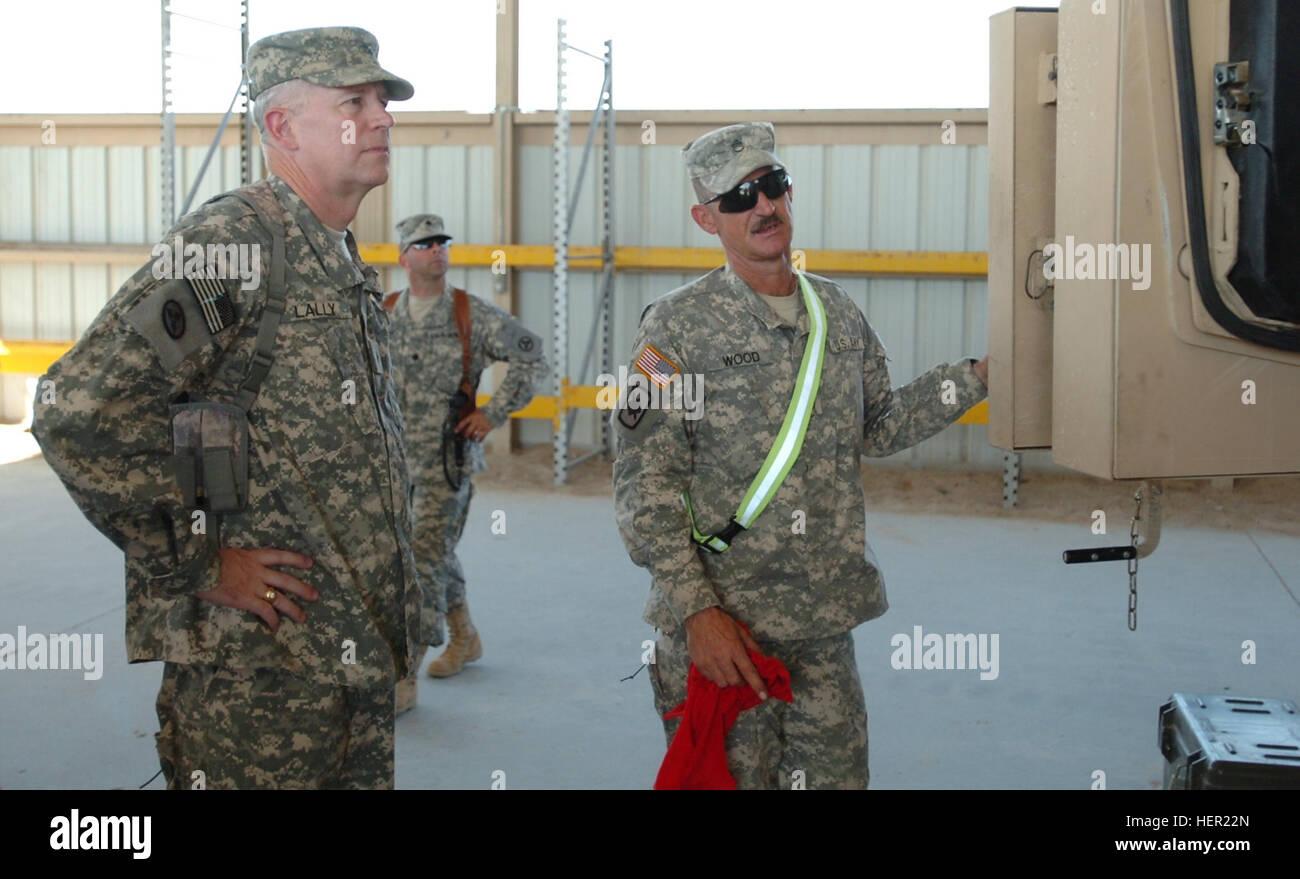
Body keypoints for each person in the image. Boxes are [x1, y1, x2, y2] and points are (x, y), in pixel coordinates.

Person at [31, 26, 421, 789]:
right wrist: (199, 558)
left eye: (382, 100)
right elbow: (76, 409)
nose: (383, 118)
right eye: (354, 101)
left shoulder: (334, 250)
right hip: (261, 685)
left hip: (351, 662)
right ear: (281, 127)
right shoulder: (236, 244)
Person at [612, 122, 990, 790]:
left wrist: (978, 377)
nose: (763, 206)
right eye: (739, 198)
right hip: (728, 628)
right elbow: (645, 486)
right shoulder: (676, 326)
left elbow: (881, 423)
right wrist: (700, 615)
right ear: (707, 218)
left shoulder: (835, 313)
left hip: (822, 624)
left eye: (772, 186)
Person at [384, 213, 547, 710]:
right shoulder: (384, 311)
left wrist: (492, 414)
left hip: (445, 463)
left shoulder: (469, 315)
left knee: (422, 560)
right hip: (393, 464)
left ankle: (403, 672)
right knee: (426, 554)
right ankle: (465, 636)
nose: (436, 250)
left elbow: (532, 358)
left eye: (441, 242)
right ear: (404, 256)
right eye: (424, 244)